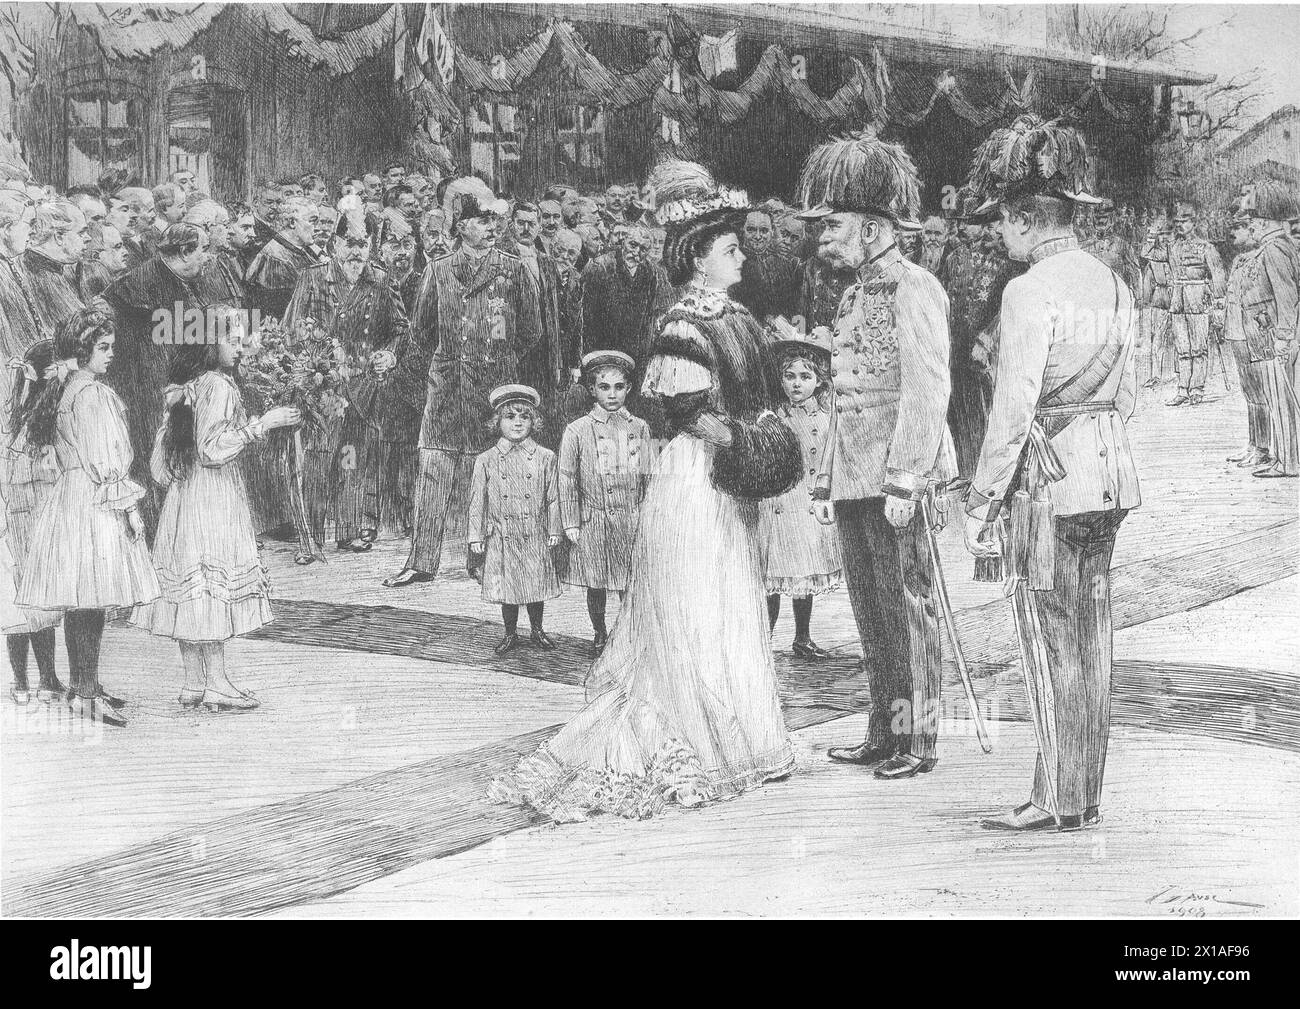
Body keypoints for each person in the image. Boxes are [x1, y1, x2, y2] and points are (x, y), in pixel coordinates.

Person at [488, 163, 803, 822]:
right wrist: (747, 447)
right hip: (694, 479)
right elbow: (689, 410)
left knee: (724, 602)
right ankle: (687, 741)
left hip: (724, 483)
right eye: (729, 248)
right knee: (691, 605)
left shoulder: (735, 314)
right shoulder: (683, 322)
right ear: (696, 258)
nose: (741, 254)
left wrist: (764, 437)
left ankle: (741, 735)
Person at [961, 116, 1140, 831]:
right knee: (1094, 639)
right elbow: (1128, 394)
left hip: (1051, 480)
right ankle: (1084, 792)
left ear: (1030, 219)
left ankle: (1056, 797)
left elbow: (1012, 408)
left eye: (1005, 223)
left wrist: (980, 502)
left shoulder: (1027, 290)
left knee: (1054, 637)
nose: (1000, 237)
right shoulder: (1115, 282)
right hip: (1109, 472)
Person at [796, 134, 957, 781]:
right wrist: (831, 478)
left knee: (910, 607)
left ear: (869, 227)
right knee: (872, 609)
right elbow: (845, 398)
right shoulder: (854, 294)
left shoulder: (915, 288)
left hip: (897, 479)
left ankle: (917, 741)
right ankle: (881, 733)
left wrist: (907, 477)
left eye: (832, 226)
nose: (823, 237)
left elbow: (928, 389)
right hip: (858, 479)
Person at [134, 322, 300, 711]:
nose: (240, 348)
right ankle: (219, 684)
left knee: (193, 587)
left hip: (183, 499)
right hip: (212, 500)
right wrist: (263, 424)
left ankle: (194, 682)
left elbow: (161, 467)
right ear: (209, 343)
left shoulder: (185, 389)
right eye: (232, 340)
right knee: (212, 586)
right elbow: (212, 451)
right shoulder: (220, 386)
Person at [384, 180, 541, 588]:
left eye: (494, 220)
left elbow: (530, 332)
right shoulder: (437, 271)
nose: (491, 227)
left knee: (489, 476)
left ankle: (484, 560)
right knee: (434, 471)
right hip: (447, 389)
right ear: (459, 225)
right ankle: (421, 562)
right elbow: (420, 333)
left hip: (492, 389)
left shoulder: (513, 269)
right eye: (480, 219)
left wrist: (497, 359)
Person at [16, 308, 161, 728]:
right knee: (88, 602)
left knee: (84, 602)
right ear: (82, 351)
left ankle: (87, 687)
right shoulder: (91, 394)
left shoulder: (68, 392)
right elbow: (107, 462)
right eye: (103, 348)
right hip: (93, 500)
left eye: (112, 347)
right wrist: (131, 511)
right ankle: (84, 691)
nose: (111, 355)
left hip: (73, 498)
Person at [283, 220, 408, 552]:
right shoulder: (313, 277)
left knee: (350, 456)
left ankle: (349, 528)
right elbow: (291, 328)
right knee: (317, 458)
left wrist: (389, 355)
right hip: (321, 386)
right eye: (349, 242)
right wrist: (313, 362)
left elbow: (399, 329)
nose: (356, 251)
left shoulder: (380, 281)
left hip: (363, 386)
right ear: (334, 244)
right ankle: (309, 536)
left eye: (363, 243)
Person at [100, 222, 214, 534]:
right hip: (149, 394)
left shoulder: (184, 278)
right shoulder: (138, 285)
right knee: (156, 465)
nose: (208, 256)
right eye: (204, 249)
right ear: (184, 251)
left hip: (175, 388)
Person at [559, 350, 650, 655]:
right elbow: (567, 478)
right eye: (604, 387)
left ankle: (629, 632)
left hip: (629, 519)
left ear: (629, 389)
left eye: (619, 387)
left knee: (629, 583)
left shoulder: (639, 428)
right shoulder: (576, 430)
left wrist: (648, 517)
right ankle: (599, 631)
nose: (612, 395)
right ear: (592, 390)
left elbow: (648, 476)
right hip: (593, 520)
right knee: (595, 582)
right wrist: (570, 521)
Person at [761, 327, 841, 659]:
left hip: (808, 504)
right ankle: (763, 638)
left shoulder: (826, 418)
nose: (796, 383)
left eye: (804, 376)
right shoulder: (772, 418)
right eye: (790, 376)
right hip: (779, 504)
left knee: (803, 574)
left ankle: (802, 637)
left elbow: (831, 458)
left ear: (818, 380)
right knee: (773, 578)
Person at [467, 385, 562, 655]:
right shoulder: (486, 459)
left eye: (524, 416)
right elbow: (477, 501)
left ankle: (537, 630)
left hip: (534, 532)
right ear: (498, 422)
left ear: (534, 421)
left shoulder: (546, 457)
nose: (518, 422)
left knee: (535, 586)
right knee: (508, 590)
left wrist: (554, 529)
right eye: (510, 417)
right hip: (502, 534)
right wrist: (475, 536)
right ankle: (510, 634)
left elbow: (553, 497)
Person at [2, 341, 64, 705]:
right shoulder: (40, 414)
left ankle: (33, 681)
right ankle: (37, 680)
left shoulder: (22, 413)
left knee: (28, 605)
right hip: (31, 514)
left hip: (24, 514)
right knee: (32, 603)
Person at [1239, 180, 1300, 479]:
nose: (1252, 225)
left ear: (1264, 221)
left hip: (1276, 337)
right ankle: (1281, 457)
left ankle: (1289, 462)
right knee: (1277, 401)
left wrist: (1284, 339)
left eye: (1254, 220)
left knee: (1283, 402)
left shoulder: (1275, 250)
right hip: (1267, 337)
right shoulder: (1273, 247)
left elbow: (1287, 297)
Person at [579, 220, 672, 391]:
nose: (636, 252)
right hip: (602, 350)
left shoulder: (650, 271)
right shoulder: (600, 267)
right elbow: (586, 318)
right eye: (633, 245)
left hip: (634, 352)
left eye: (643, 249)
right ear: (623, 242)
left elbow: (649, 315)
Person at [1153, 200, 1225, 406]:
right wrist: (1152, 233)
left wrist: (1219, 305)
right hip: (1178, 303)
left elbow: (1218, 276)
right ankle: (1182, 390)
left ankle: (1197, 389)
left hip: (1198, 302)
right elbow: (1148, 254)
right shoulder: (1172, 247)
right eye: (1177, 221)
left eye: (1184, 221)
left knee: (1198, 349)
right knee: (1182, 349)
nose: (1179, 225)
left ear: (1194, 222)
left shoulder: (1206, 247)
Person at [1217, 209, 1271, 470]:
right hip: (1236, 332)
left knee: (1260, 395)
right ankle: (1253, 444)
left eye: (1239, 227)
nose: (1233, 232)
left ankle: (1263, 448)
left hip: (1254, 334)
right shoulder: (1239, 260)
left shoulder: (1264, 257)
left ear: (1252, 229)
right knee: (1249, 393)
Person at [245, 196, 322, 320]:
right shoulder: (275, 259)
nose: (318, 228)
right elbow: (283, 314)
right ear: (292, 222)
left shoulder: (303, 249)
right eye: (312, 221)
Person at [23, 200, 87, 334]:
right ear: (58, 236)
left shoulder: (54, 270)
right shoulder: (39, 275)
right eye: (81, 233)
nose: (88, 238)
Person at [732, 207, 801, 321]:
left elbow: (794, 308)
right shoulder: (731, 263)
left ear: (772, 233)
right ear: (742, 231)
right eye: (751, 230)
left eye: (764, 231)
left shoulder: (784, 264)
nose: (758, 236)